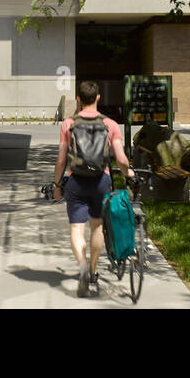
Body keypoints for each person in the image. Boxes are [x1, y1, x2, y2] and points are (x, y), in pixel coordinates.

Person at [52, 81, 133, 297]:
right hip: (101, 181)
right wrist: (128, 174)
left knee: (76, 229)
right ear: (98, 98)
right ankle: (94, 270)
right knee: (97, 227)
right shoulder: (111, 124)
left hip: (76, 182)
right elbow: (121, 159)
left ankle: (82, 267)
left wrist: (56, 185)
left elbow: (61, 160)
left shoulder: (68, 124)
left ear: (78, 99)